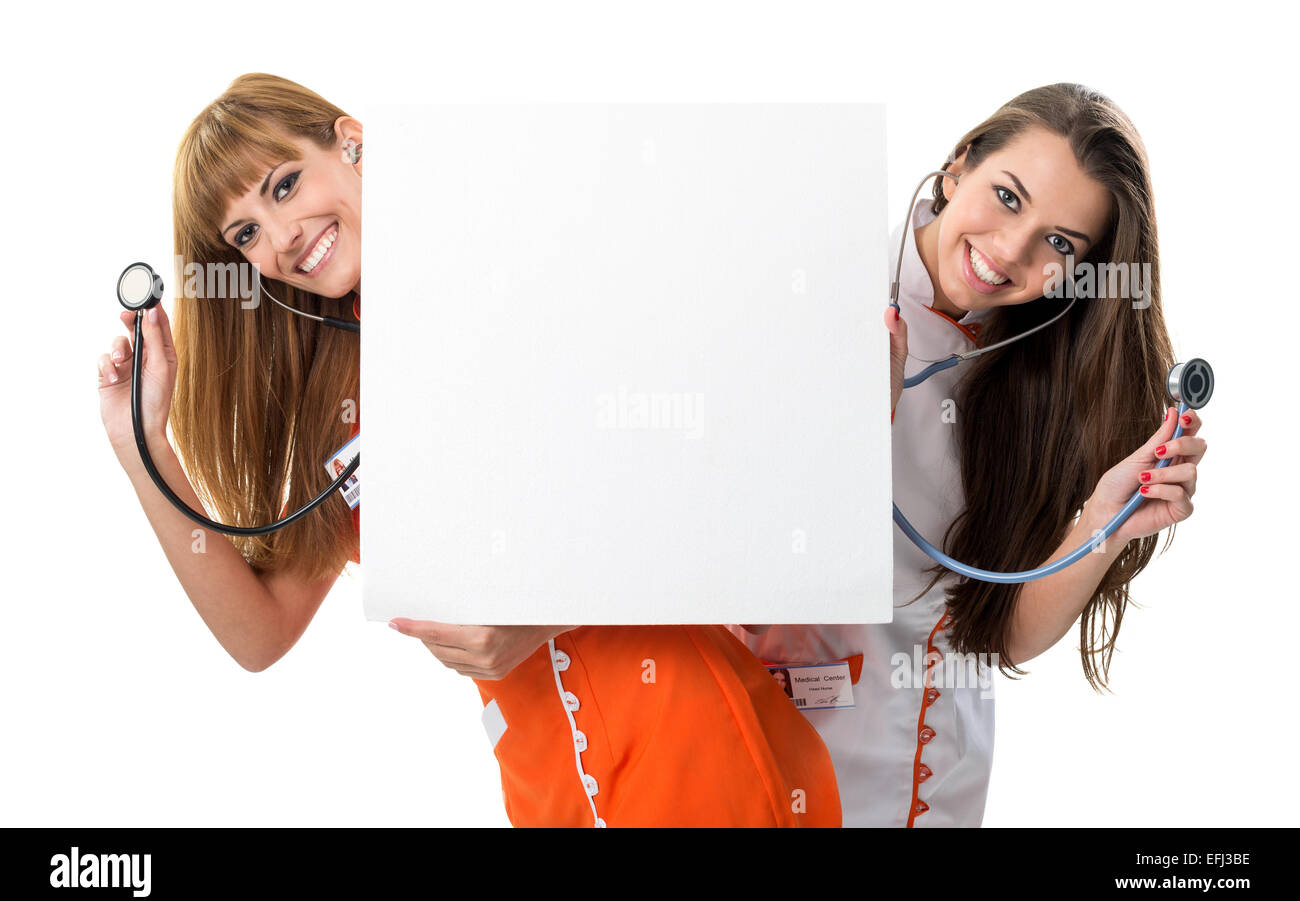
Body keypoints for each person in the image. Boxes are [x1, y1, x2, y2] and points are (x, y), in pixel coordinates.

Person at [95, 73, 840, 827]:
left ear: (351, 140)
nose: (282, 236)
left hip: (705, 765)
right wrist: (143, 446)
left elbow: (740, 497)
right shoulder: (341, 404)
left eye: (283, 185)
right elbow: (260, 631)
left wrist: (547, 612)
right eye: (245, 233)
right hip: (552, 799)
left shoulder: (541, 258)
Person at [728, 83, 1209, 826]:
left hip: (943, 783)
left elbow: (1001, 629)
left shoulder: (1036, 368)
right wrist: (849, 434)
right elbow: (734, 587)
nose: (1011, 252)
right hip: (784, 768)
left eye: (1059, 243)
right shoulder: (800, 294)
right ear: (957, 167)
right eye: (1008, 197)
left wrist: (1101, 523)